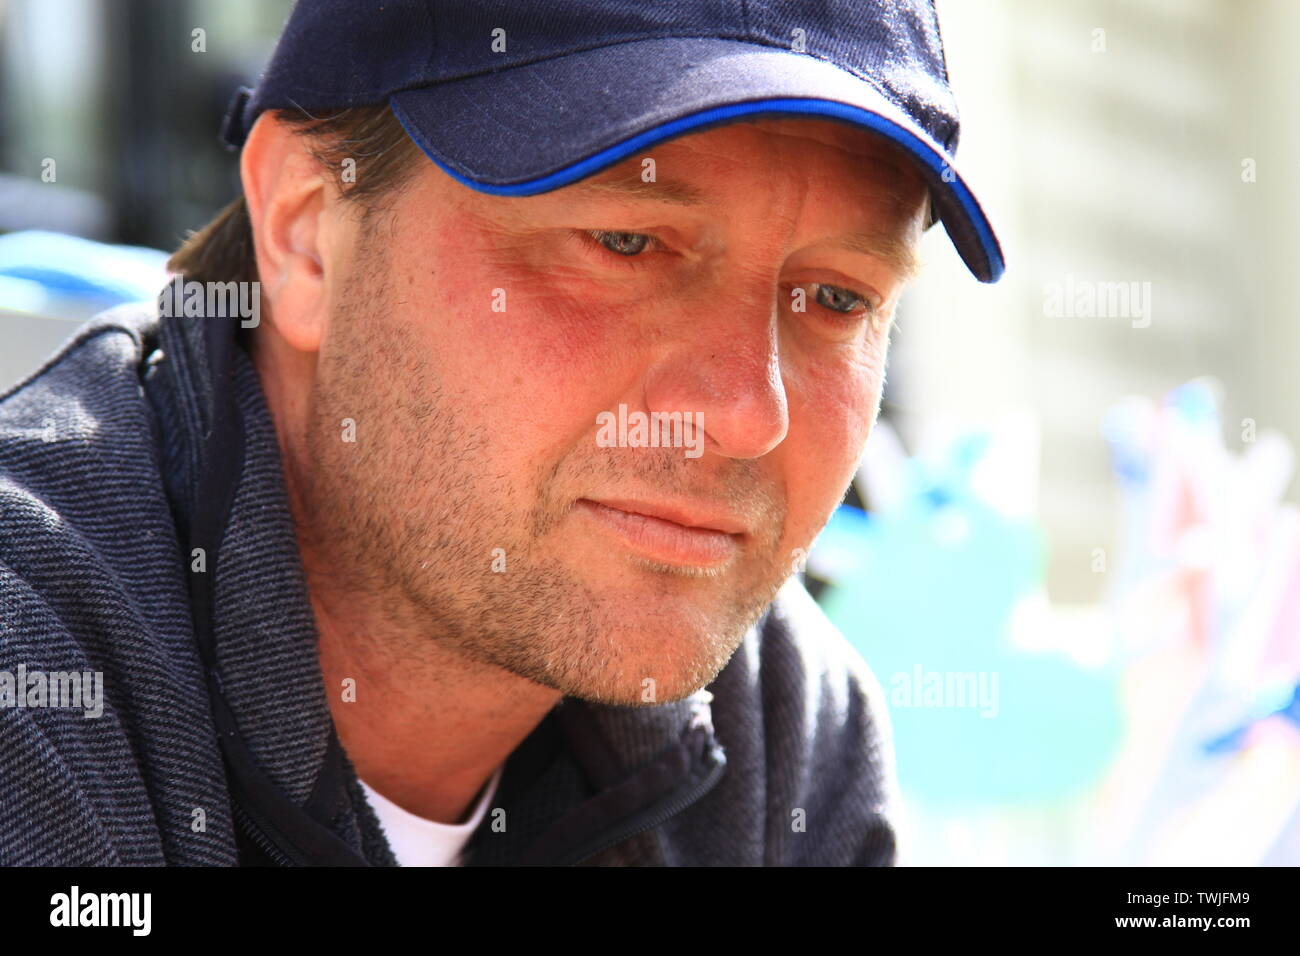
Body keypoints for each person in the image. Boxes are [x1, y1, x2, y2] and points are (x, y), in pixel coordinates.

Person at [0, 0, 1003, 866]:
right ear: (307, 232)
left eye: (833, 296)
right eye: (626, 242)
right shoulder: (35, 680)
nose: (750, 414)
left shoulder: (782, 726)